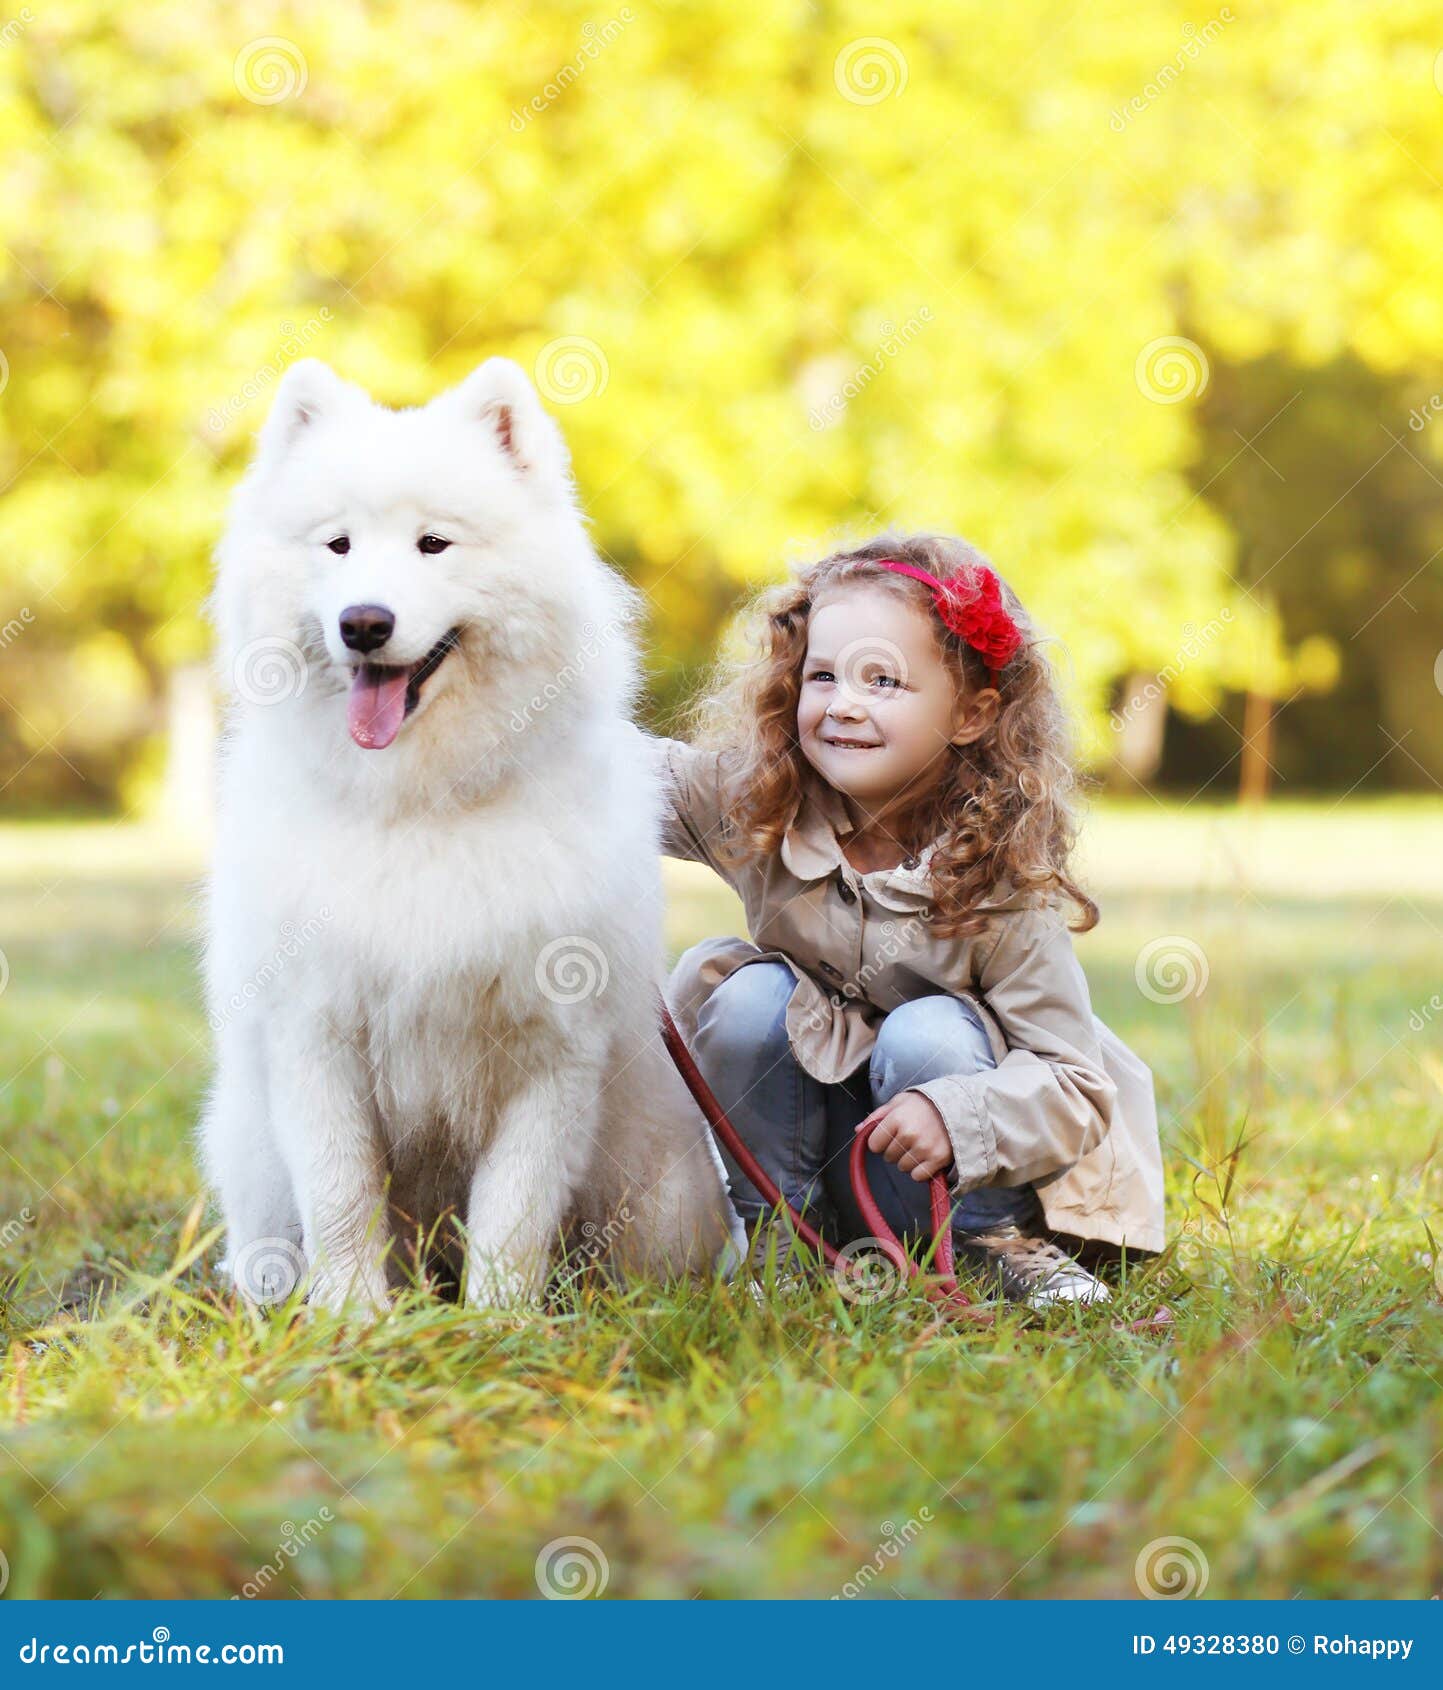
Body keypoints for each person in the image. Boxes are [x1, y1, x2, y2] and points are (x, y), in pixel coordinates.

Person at [634, 533, 1165, 1309]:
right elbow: (618, 769)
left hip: (941, 1179)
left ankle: (991, 1246)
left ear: (972, 714)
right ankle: (773, 1239)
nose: (843, 703)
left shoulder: (1000, 882)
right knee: (747, 999)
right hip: (819, 1166)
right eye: (822, 675)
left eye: (882, 680)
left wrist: (956, 1111)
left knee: (930, 1032)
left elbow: (1073, 1085)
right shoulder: (762, 801)